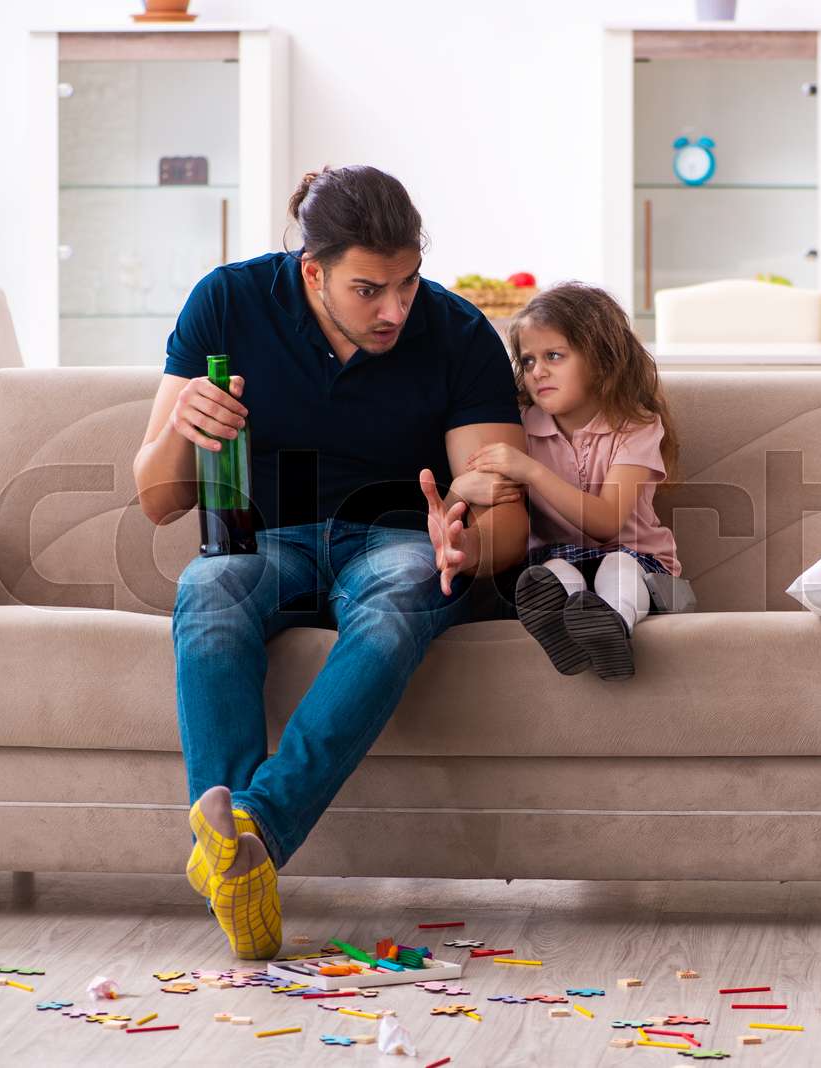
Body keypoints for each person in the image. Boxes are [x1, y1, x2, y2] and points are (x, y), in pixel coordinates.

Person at [131, 165, 528, 958]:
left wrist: (467, 541)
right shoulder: (228, 302)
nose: (395, 309)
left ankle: (247, 837)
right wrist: (185, 423)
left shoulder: (455, 333)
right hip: (263, 544)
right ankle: (245, 854)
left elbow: (506, 519)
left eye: (407, 282)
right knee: (208, 587)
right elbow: (157, 497)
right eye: (368, 289)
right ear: (313, 271)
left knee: (402, 593)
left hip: (395, 542)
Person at [452, 282, 692, 682]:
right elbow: (466, 503)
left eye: (554, 356)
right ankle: (561, 621)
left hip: (649, 573)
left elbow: (604, 523)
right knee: (550, 570)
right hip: (565, 564)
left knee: (617, 562)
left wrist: (530, 470)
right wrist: (460, 489)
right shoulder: (521, 428)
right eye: (527, 361)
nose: (538, 371)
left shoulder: (635, 426)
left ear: (601, 360)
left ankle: (613, 626)